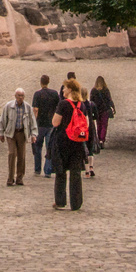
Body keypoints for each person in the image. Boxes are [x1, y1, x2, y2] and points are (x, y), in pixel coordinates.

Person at [48, 78, 89, 211]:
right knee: (75, 173)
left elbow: (55, 122)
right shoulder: (81, 105)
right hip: (77, 142)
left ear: (70, 89)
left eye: (65, 88)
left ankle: (60, 201)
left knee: (61, 172)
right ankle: (76, 203)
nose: (63, 90)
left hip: (63, 141)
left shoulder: (63, 104)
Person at [0, 87, 35, 185]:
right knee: (12, 154)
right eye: (19, 95)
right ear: (15, 96)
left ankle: (19, 177)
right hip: (11, 133)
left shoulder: (27, 107)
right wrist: (1, 133)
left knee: (21, 156)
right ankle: (10, 178)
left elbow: (32, 121)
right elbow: (3, 119)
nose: (20, 98)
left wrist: (33, 134)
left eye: (22, 96)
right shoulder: (8, 106)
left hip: (22, 133)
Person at [31, 75, 60, 177]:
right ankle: (48, 170)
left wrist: (33, 123)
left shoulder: (37, 94)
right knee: (49, 147)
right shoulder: (54, 93)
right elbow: (58, 107)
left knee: (37, 147)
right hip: (51, 123)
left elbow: (35, 110)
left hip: (40, 124)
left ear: (41, 82)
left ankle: (37, 169)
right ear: (48, 82)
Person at [89, 76, 115, 152]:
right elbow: (109, 100)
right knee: (104, 125)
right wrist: (113, 107)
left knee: (99, 125)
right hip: (104, 110)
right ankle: (101, 139)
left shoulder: (93, 90)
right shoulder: (105, 90)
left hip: (97, 110)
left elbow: (91, 101)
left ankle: (99, 138)